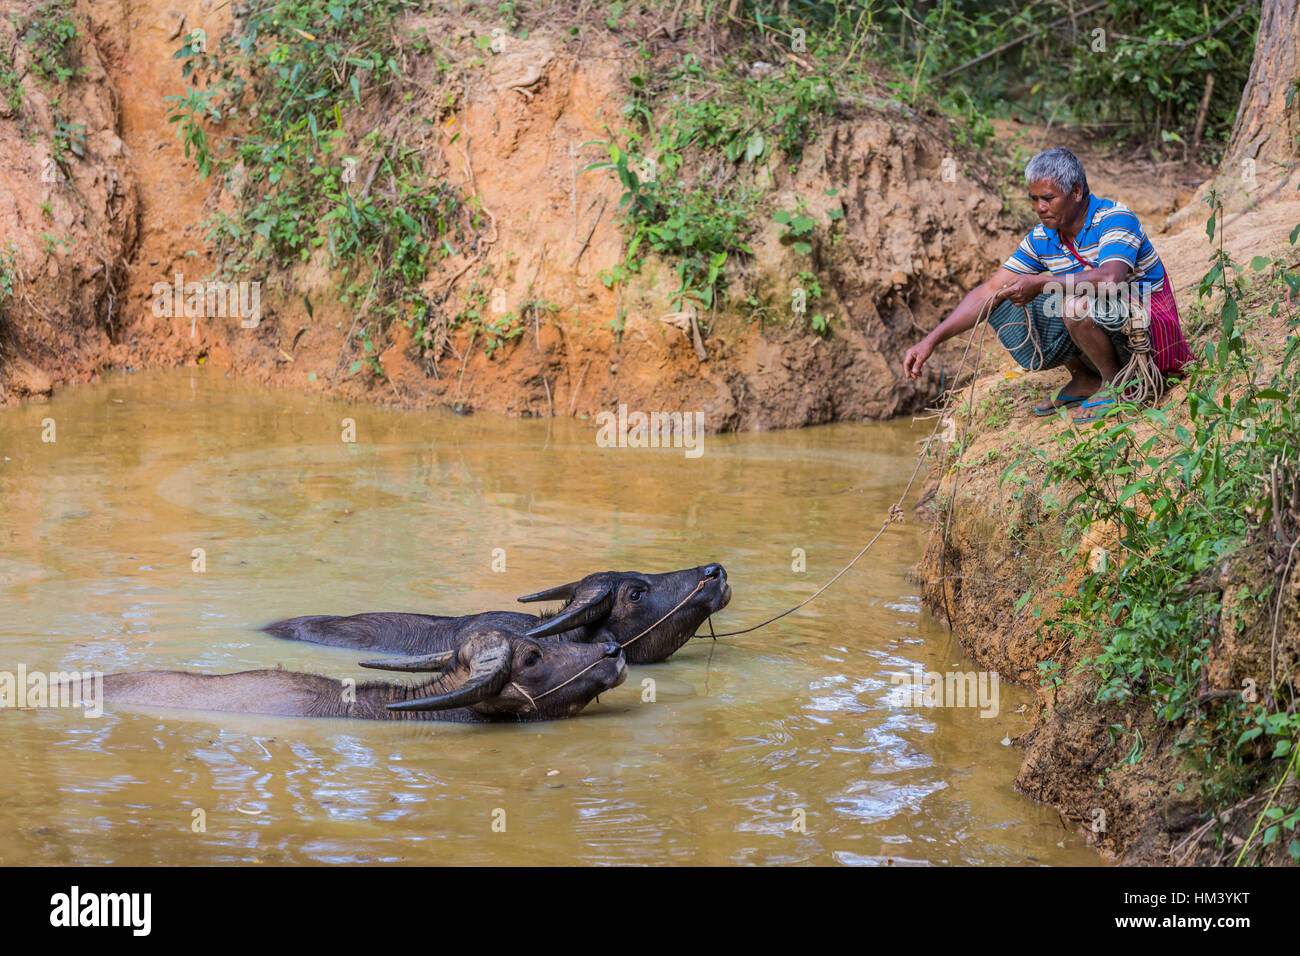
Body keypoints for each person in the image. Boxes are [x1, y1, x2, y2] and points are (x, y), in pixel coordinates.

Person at [902, 147, 1193, 422]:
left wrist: (1041, 283)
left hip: (1148, 335)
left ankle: (1116, 385)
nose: (1040, 207)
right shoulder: (1042, 237)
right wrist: (931, 341)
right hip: (1111, 323)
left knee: (1070, 302)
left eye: (1049, 198)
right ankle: (1085, 379)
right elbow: (989, 290)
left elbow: (1109, 279)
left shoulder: (1115, 219)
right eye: (1034, 198)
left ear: (1076, 192)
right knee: (1010, 296)